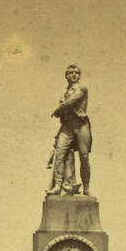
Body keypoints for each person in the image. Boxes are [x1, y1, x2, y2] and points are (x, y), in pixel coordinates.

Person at [47, 64, 93, 196]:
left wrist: (58, 109)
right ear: (66, 76)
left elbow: (72, 101)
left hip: (81, 125)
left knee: (84, 157)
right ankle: (58, 185)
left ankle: (86, 187)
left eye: (77, 73)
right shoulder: (63, 94)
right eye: (71, 73)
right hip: (67, 126)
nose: (74, 75)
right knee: (60, 153)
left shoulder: (82, 89)